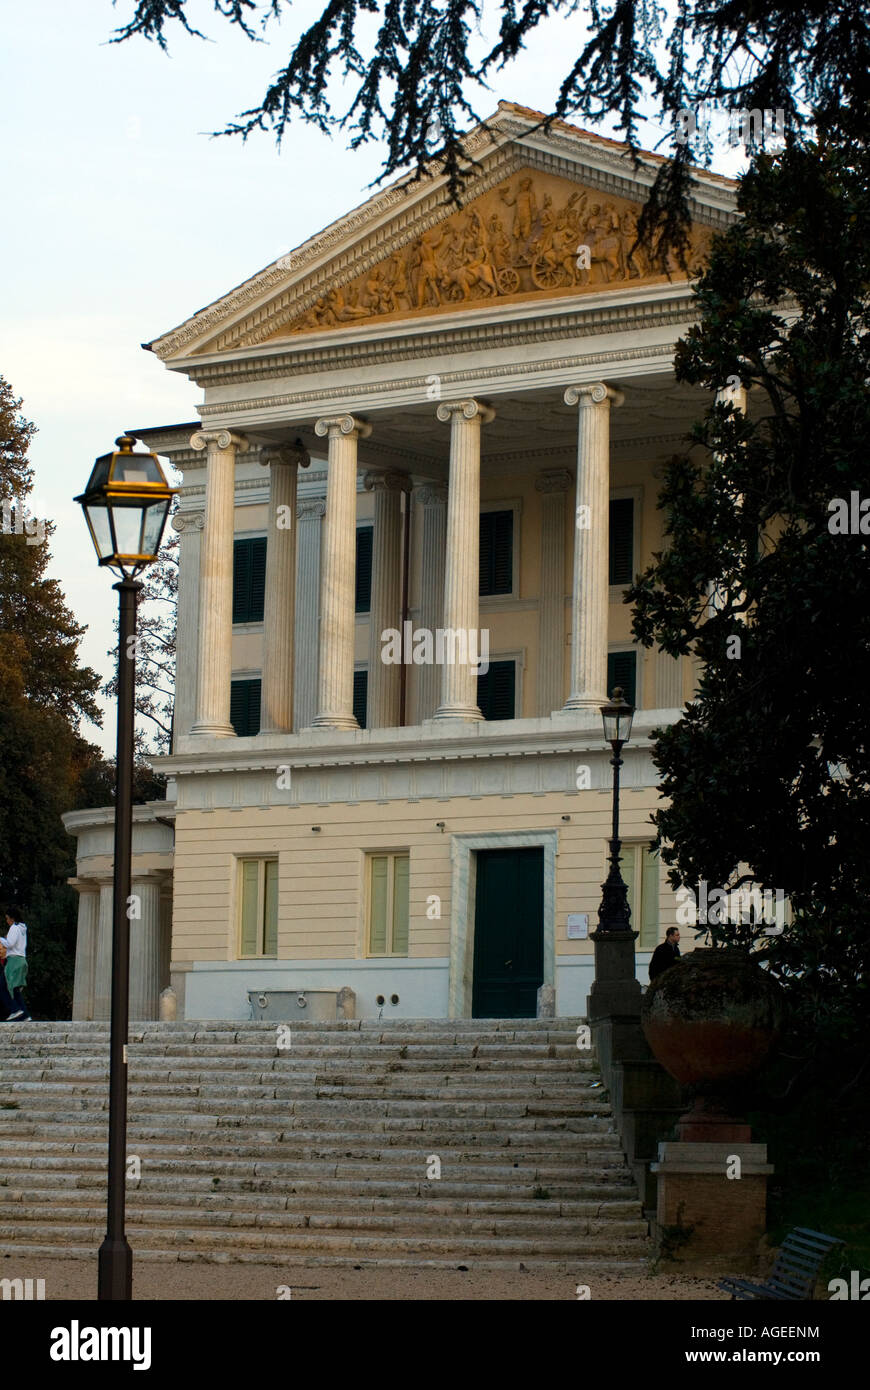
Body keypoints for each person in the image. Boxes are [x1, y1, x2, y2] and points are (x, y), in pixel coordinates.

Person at [1, 907, 30, 1020]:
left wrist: (1, 939)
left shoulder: (14, 927)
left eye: (7, 918)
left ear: (12, 918)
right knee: (15, 989)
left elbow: (10, 944)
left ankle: (15, 1009)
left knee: (2, 987)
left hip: (14, 961)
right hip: (22, 960)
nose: (7, 921)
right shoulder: (22, 928)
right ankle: (25, 1015)